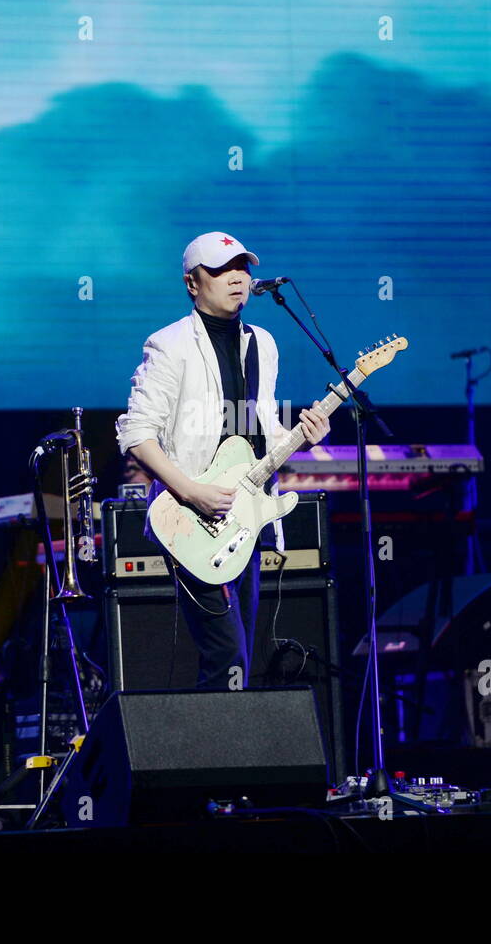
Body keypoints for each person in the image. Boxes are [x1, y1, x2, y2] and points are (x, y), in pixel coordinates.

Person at [115, 231, 329, 689]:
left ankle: (223, 754)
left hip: (244, 514)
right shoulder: (169, 345)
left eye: (241, 268)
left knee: (241, 661)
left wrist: (303, 439)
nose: (237, 278)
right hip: (190, 517)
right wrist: (191, 491)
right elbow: (135, 433)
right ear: (193, 284)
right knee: (225, 652)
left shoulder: (263, 344)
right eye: (220, 270)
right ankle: (214, 756)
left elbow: (261, 432)